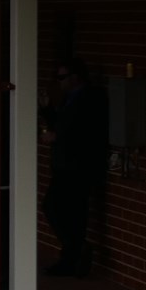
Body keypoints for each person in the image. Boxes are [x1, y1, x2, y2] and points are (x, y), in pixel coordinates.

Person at [42, 58, 108, 276]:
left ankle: (73, 252)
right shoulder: (69, 99)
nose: (59, 82)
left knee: (62, 208)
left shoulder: (89, 98)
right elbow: (60, 123)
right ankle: (73, 253)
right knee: (64, 210)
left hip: (78, 166)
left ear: (75, 77)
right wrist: (47, 110)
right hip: (64, 164)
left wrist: (57, 137)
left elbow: (85, 133)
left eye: (62, 77)